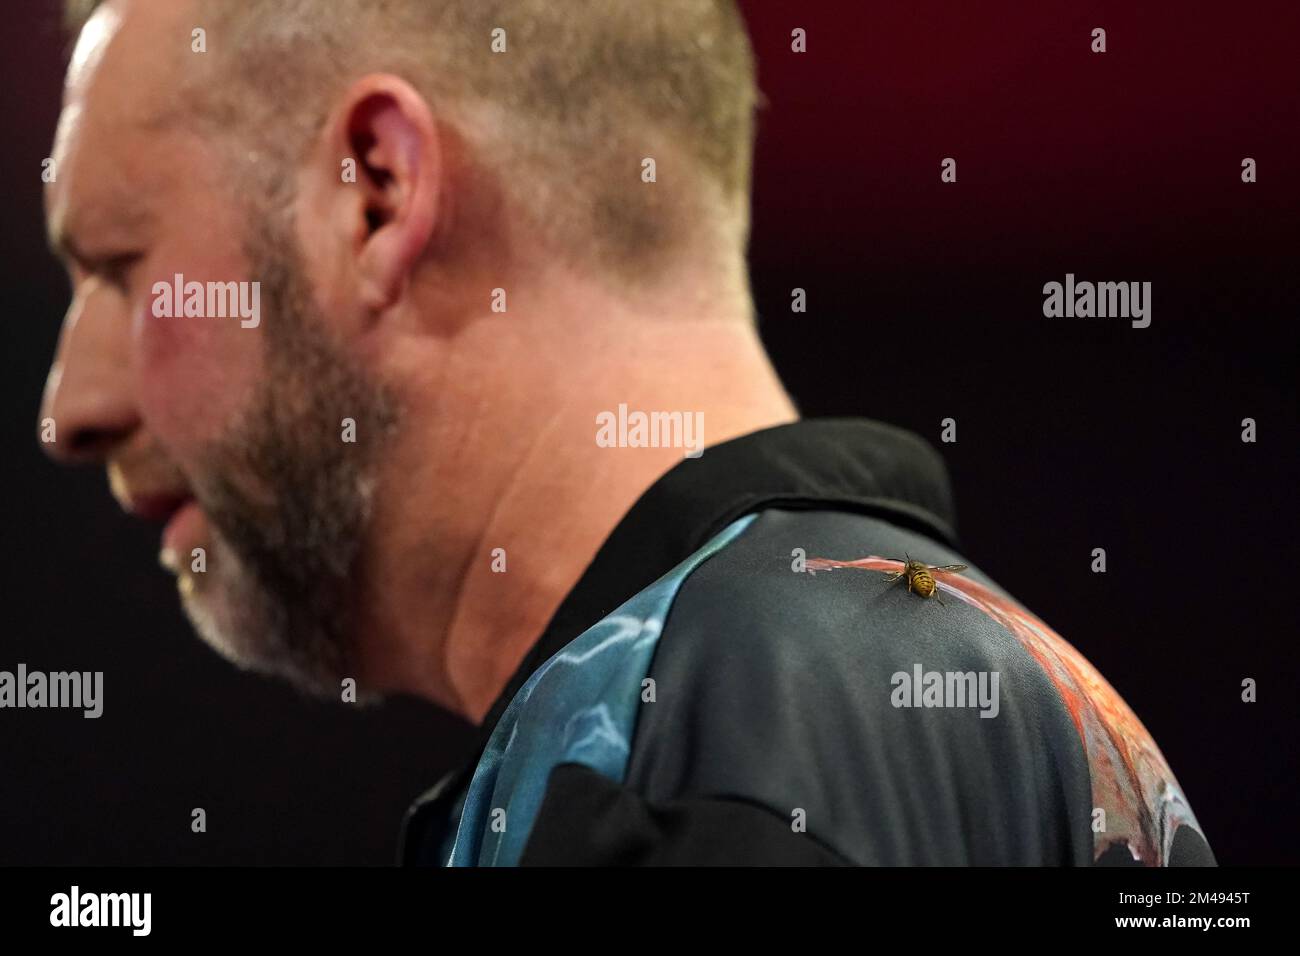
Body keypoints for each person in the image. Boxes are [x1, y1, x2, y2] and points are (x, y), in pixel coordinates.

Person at [41, 0, 1214, 865]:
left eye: (118, 266)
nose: (66, 410)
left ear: (376, 194)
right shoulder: (834, 682)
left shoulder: (744, 737)